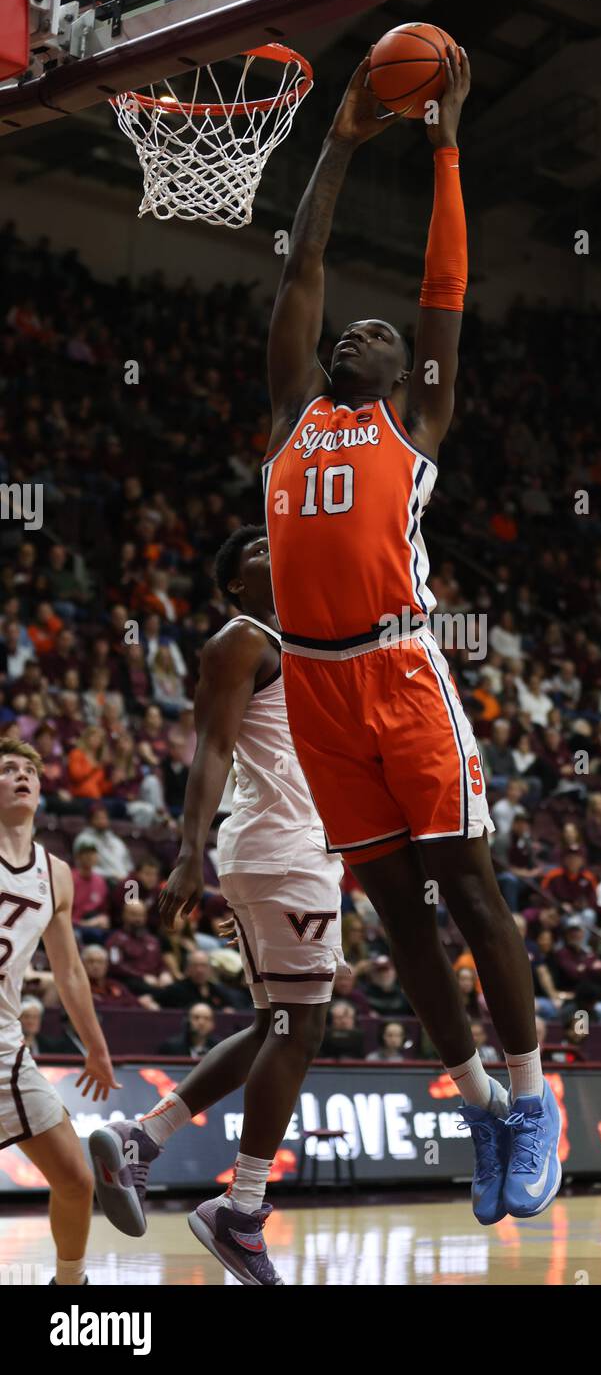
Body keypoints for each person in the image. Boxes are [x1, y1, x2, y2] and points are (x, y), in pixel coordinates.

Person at [261, 48, 559, 1225]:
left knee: (465, 888)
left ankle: (537, 1101)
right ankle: (482, 1101)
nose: (361, 332)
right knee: (393, 915)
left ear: (403, 375)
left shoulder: (416, 421)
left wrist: (442, 142)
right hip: (315, 686)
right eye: (353, 330)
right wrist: (337, 139)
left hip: (396, 667)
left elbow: (443, 284)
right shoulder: (290, 414)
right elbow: (303, 267)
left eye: (380, 336)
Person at [89, 529, 344, 1286]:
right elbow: (212, 750)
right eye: (255, 552)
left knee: (278, 1023)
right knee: (301, 1029)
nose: (276, 549)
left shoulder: (306, 644)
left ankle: (144, 1137)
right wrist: (186, 853)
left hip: (300, 855)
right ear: (236, 585)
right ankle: (241, 1209)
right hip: (276, 852)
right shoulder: (242, 638)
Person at [0, 737, 116, 1285]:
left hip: (5, 1046)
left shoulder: (56, 874)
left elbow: (69, 971)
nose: (21, 776)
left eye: (29, 771)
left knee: (75, 1178)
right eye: (6, 770)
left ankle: (70, 1290)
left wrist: (95, 1046)